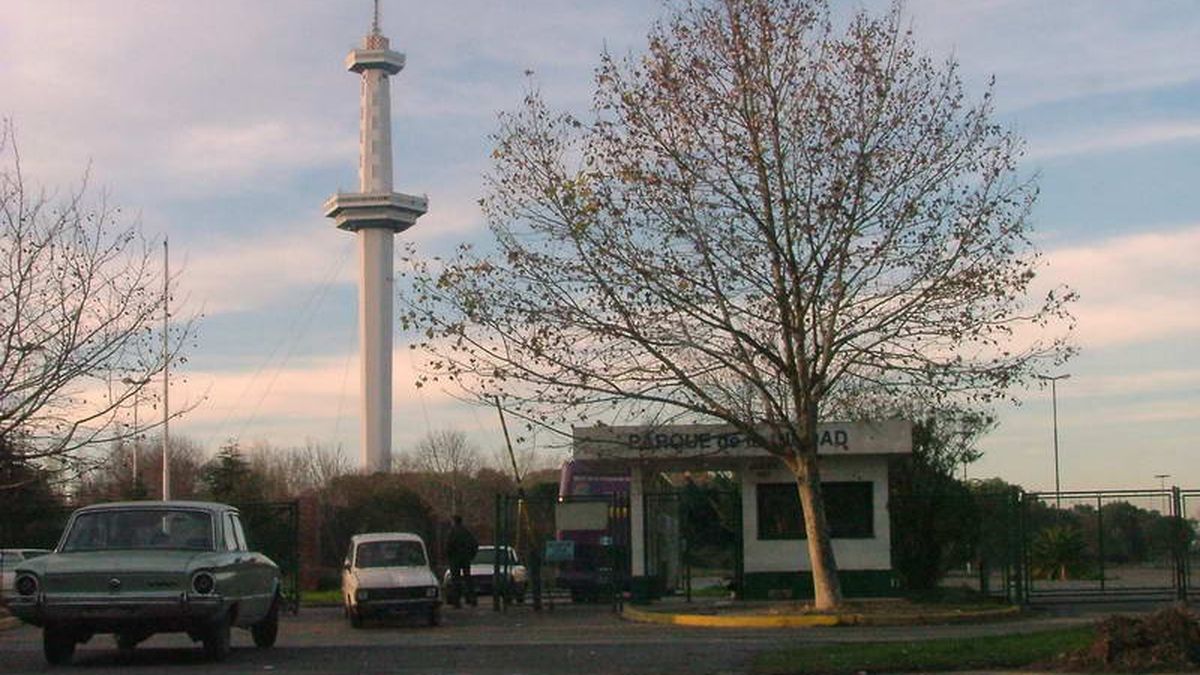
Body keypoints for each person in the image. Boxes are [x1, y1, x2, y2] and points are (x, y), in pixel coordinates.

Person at [445, 515, 478, 608]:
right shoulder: (466, 532)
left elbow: (448, 545)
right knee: (468, 578)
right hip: (465, 559)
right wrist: (471, 556)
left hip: (455, 559)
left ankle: (456, 602)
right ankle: (472, 599)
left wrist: (449, 556)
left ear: (454, 521)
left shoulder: (452, 532)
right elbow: (474, 544)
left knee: (456, 580)